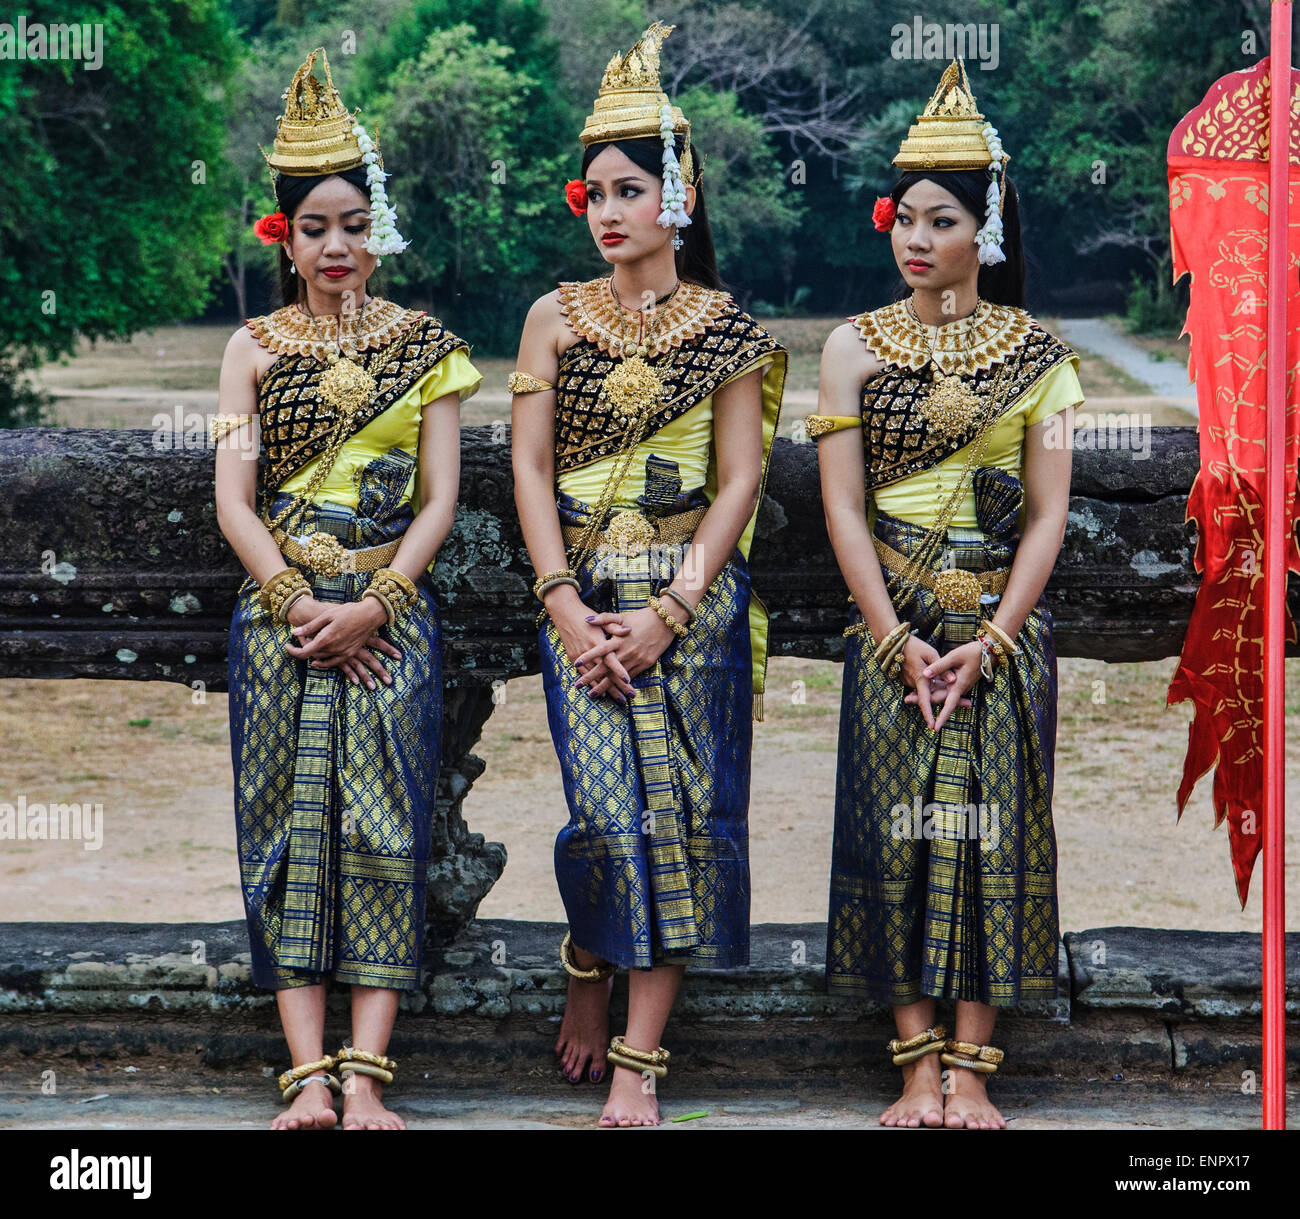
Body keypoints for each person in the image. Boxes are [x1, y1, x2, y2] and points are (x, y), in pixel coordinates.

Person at [510, 21, 787, 1128]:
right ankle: (588, 959)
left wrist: (673, 609)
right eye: (594, 195)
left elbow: (738, 482)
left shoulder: (725, 328)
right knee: (604, 815)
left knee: (682, 817)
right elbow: (531, 471)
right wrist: (563, 601)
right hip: (579, 593)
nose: (608, 211)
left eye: (628, 190)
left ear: (678, 197)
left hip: (690, 600)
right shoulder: (552, 319)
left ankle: (640, 1056)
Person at [807, 59, 1081, 1131]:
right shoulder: (850, 349)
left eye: (941, 220)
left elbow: (1048, 511)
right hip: (894, 632)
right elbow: (842, 510)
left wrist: (993, 638)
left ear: (988, 231)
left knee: (989, 836)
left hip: (997, 636)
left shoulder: (1039, 357)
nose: (915, 239)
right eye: (904, 218)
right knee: (898, 837)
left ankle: (974, 1068)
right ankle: (914, 1067)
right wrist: (895, 638)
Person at [212, 49, 481, 1130]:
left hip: (389, 614)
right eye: (316, 227)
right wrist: (293, 604)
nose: (339, 248)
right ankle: (307, 1078)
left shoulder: (429, 350)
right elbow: (236, 500)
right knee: (282, 828)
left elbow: (440, 501)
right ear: (284, 234)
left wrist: (374, 604)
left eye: (355, 226)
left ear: (379, 230)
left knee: (384, 829)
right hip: (280, 624)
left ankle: (368, 1077)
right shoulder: (252, 349)